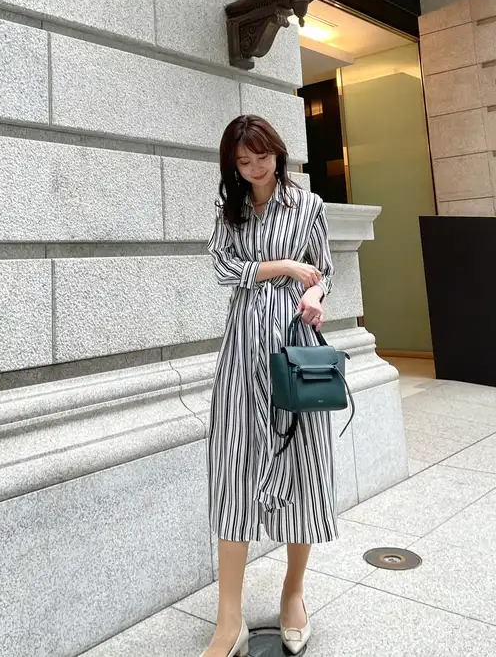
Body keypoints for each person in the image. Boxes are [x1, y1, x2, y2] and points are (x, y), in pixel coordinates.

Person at [201, 115, 336, 657]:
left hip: (293, 349)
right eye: (243, 161)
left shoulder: (309, 206)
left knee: (302, 465)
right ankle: (228, 620)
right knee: (233, 465)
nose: (255, 168)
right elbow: (220, 266)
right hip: (242, 354)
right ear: (233, 166)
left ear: (277, 153)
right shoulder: (230, 212)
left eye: (261, 157)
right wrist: (282, 266)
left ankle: (293, 594)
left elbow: (324, 271)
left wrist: (314, 294)